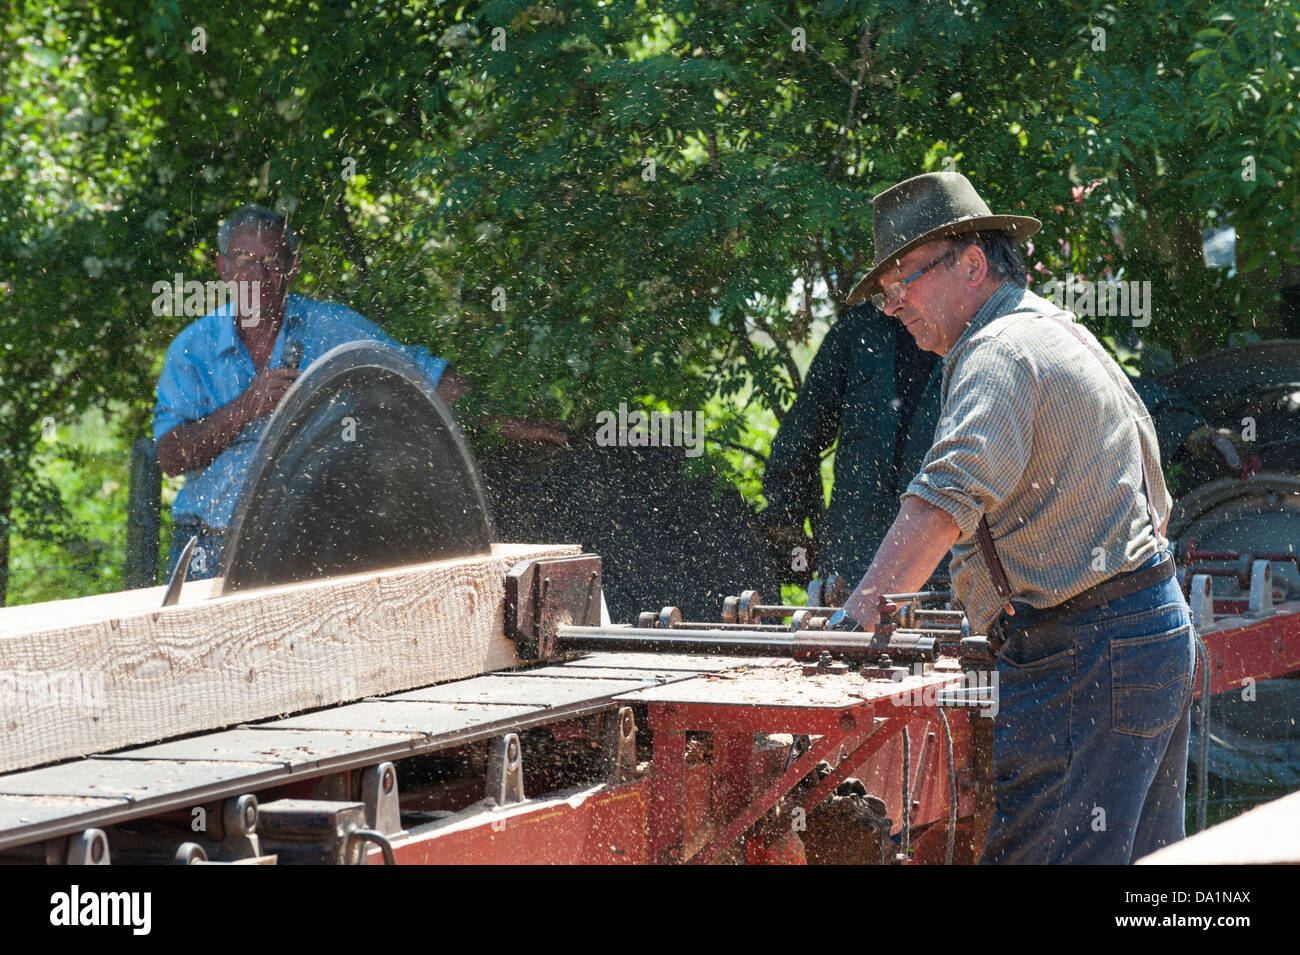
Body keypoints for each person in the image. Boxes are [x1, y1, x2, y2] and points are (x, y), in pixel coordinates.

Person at [829, 172, 1196, 864]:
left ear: (971, 264)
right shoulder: (1051, 332)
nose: (891, 303)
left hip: (1085, 652)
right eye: (884, 289)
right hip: (1137, 632)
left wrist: (854, 624)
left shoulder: (998, 352)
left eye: (904, 276)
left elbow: (944, 498)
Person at [154, 205, 563, 581]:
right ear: (223, 269)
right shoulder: (193, 348)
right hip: (212, 543)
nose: (257, 276)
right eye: (244, 261)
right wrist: (249, 404)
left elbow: (426, 381)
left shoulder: (333, 329)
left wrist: (516, 424)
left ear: (292, 268)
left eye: (271, 262)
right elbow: (170, 457)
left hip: (311, 546)